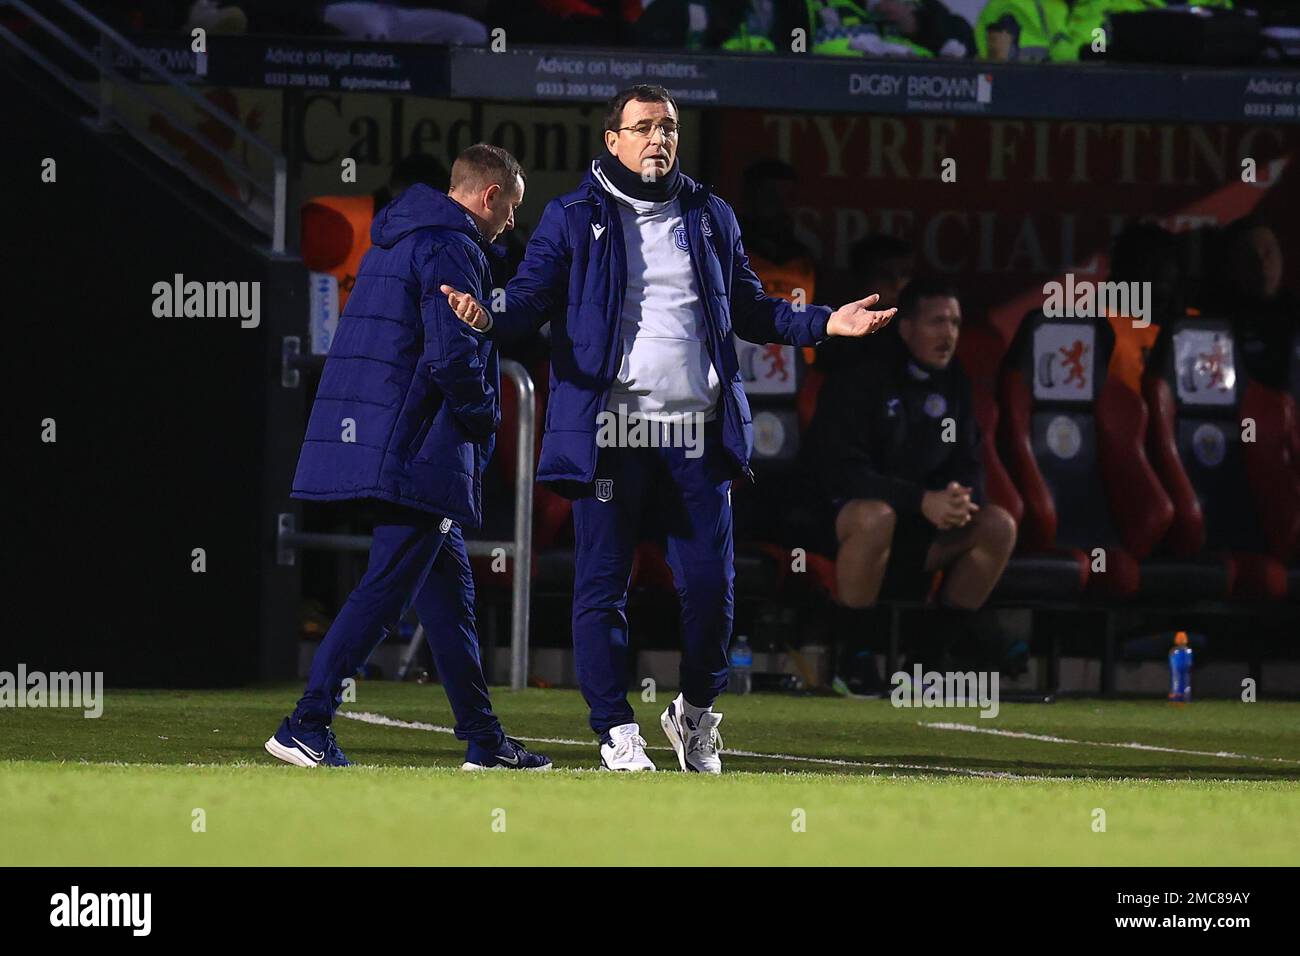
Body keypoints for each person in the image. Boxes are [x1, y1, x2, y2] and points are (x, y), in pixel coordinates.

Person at [441, 84, 896, 773]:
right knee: (603, 586)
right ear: (613, 139)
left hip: (696, 434)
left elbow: (753, 308)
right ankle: (615, 729)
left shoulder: (711, 214)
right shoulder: (571, 216)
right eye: (645, 127)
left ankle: (695, 715)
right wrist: (488, 321)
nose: (659, 138)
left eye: (670, 128)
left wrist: (825, 322)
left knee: (713, 589)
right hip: (612, 434)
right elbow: (529, 303)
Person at [267, 144, 551, 771]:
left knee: (449, 601)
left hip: (387, 437)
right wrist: (484, 418)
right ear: (488, 196)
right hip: (419, 446)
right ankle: (306, 724)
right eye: (509, 208)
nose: (509, 224)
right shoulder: (452, 248)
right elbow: (453, 357)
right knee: (384, 591)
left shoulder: (397, 238)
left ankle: (483, 739)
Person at [805, 278, 1017, 683]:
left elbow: (968, 457)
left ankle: (928, 660)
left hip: (920, 530)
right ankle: (856, 658)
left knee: (997, 527)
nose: (949, 334)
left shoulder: (954, 381)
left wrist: (959, 498)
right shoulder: (861, 377)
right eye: (937, 322)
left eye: (955, 323)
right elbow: (842, 473)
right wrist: (918, 499)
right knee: (875, 517)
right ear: (906, 328)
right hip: (840, 527)